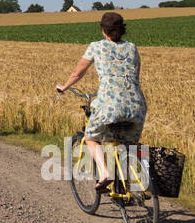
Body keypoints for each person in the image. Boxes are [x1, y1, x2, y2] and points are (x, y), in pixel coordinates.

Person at [57, 12, 147, 192]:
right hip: (137, 105)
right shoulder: (132, 48)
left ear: (103, 30)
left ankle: (105, 173)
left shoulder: (96, 46)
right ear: (122, 30)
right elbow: (135, 77)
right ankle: (128, 186)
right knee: (127, 145)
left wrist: (64, 87)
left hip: (109, 105)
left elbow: (77, 73)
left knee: (91, 137)